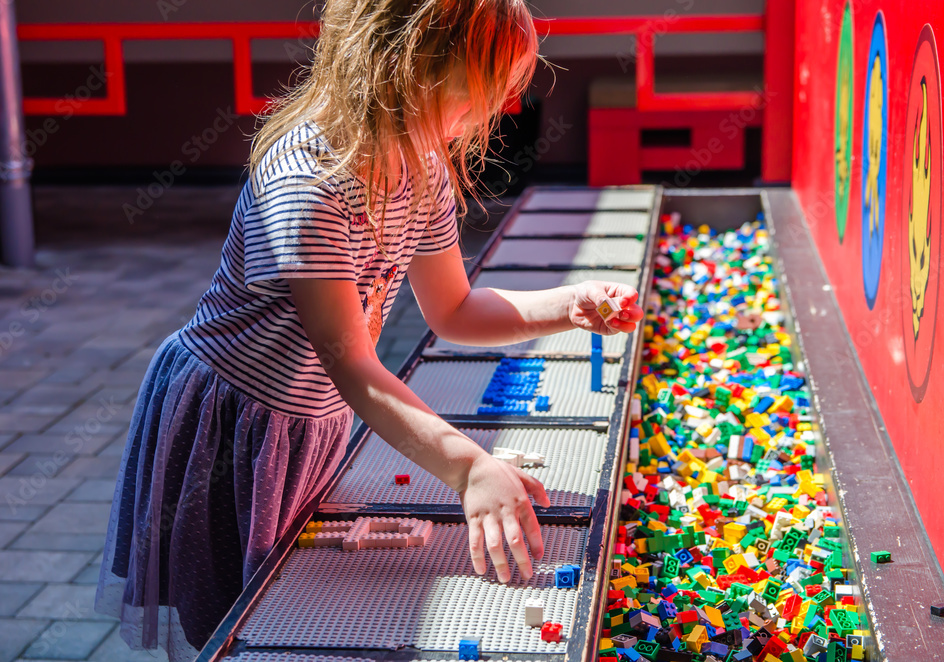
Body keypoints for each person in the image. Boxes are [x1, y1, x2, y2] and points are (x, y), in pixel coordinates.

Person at [94, 0, 645, 659]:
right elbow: (352, 364)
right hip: (234, 425)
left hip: (308, 418)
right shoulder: (311, 184)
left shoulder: (420, 163)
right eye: (479, 92)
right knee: (239, 623)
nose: (494, 113)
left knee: (288, 596)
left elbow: (455, 309)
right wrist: (470, 467)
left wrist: (570, 304)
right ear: (406, 68)